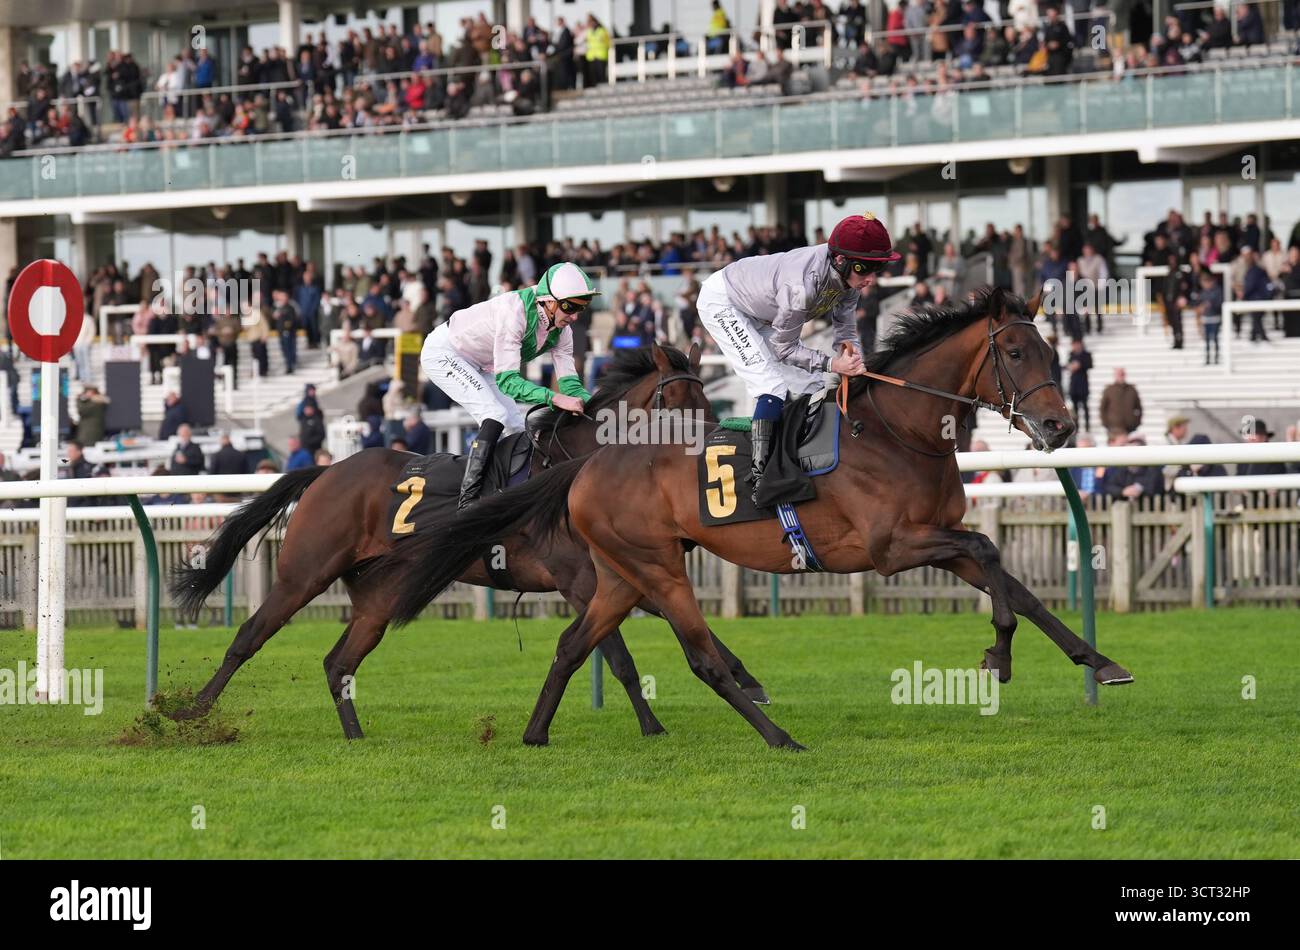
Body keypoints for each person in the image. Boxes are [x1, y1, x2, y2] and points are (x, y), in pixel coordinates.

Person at [696, 212, 892, 504]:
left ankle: (802, 461)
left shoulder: (849, 277)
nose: (870, 280)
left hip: (763, 308)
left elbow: (845, 329)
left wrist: (853, 358)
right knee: (771, 386)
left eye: (876, 269)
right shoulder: (802, 286)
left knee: (812, 384)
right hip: (724, 301)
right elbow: (783, 349)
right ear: (841, 261)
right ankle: (760, 481)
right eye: (867, 270)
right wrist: (832, 364)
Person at [419, 261, 596, 508]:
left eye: (582, 308)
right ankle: (467, 502)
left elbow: (571, 386)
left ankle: (512, 495)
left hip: (483, 364)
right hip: (446, 352)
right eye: (570, 307)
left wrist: (597, 408)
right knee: (494, 414)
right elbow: (509, 382)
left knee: (517, 427)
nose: (575, 316)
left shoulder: (562, 330)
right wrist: (554, 398)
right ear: (549, 300)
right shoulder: (515, 312)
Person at [1099, 368, 1142, 437]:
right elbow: (1102, 408)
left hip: (1130, 428)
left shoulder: (1132, 390)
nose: (1121, 376)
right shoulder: (1109, 390)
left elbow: (1139, 408)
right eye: (1119, 374)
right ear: (1115, 375)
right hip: (1114, 428)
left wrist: (1136, 422)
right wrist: (1106, 424)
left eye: (1122, 374)